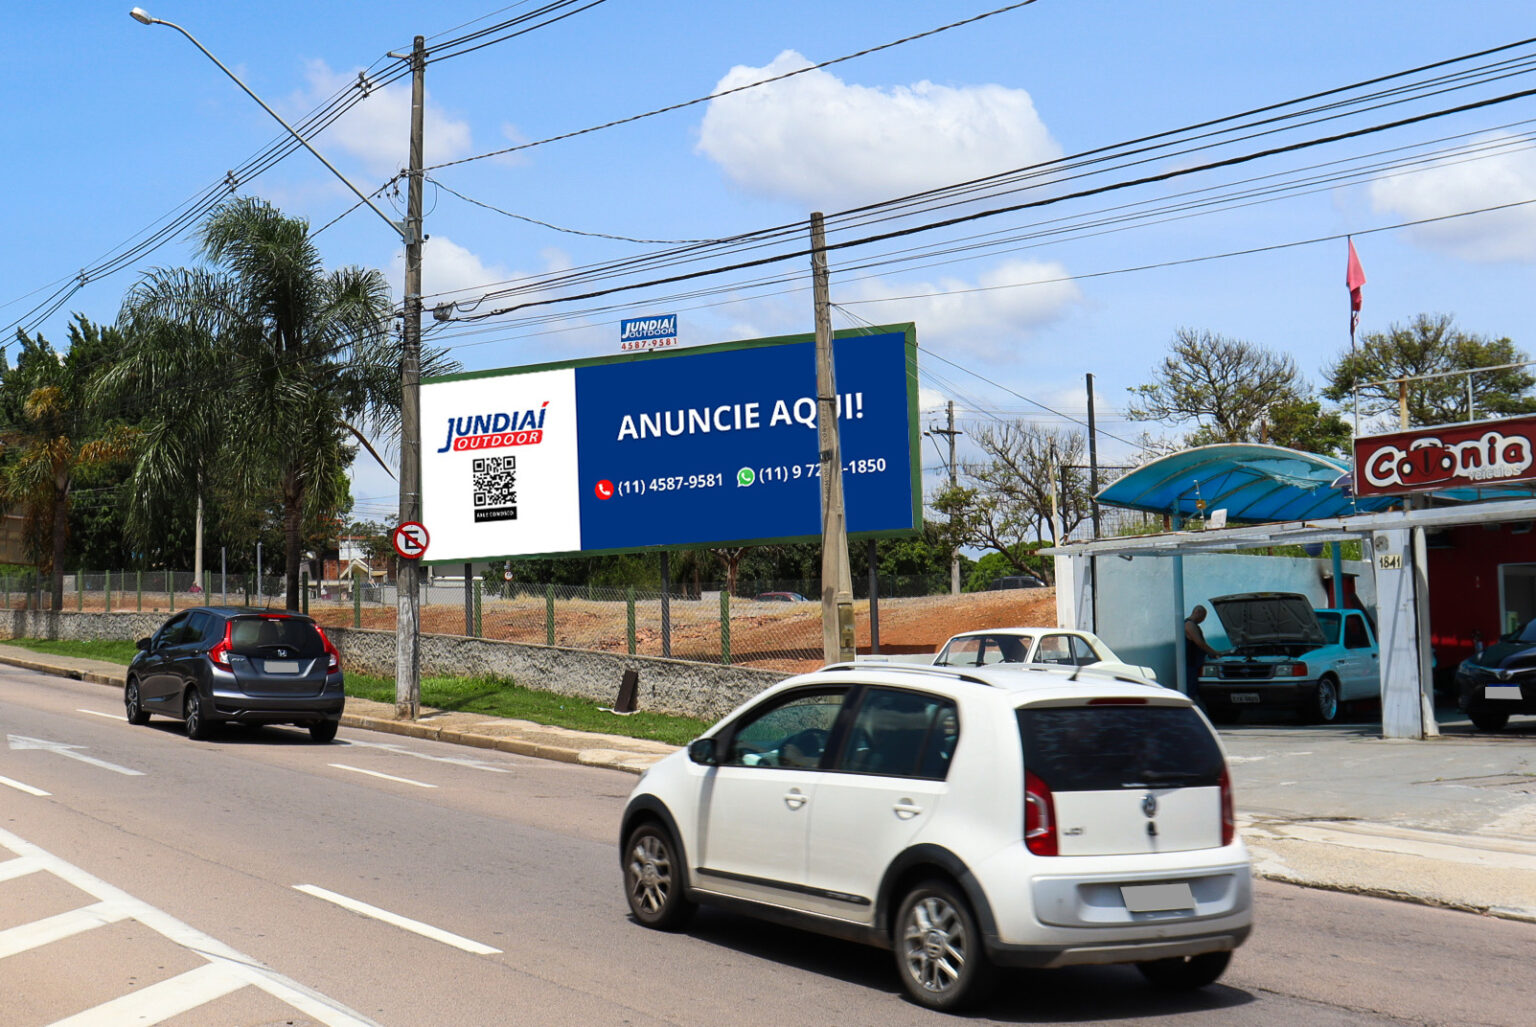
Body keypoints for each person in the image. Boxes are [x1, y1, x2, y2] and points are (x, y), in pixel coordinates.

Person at [1184, 605, 1223, 705]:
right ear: (1197, 613)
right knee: (1191, 692)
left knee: (1193, 690)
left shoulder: (1191, 625)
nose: (1203, 619)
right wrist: (1214, 652)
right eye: (1203, 616)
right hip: (1190, 664)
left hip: (1193, 664)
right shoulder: (1190, 625)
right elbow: (1200, 643)